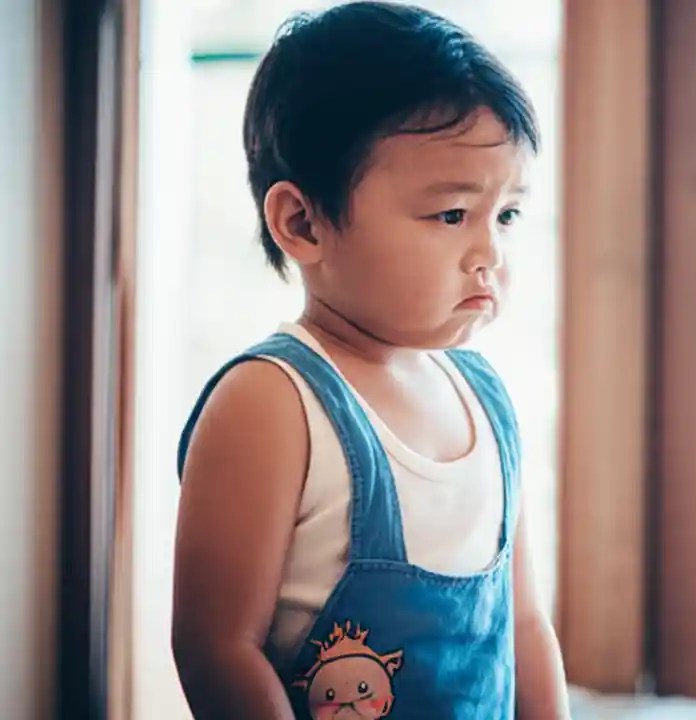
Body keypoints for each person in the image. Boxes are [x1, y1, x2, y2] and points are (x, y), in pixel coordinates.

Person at [171, 3, 569, 718]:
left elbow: (526, 627)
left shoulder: (486, 398)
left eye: (506, 215)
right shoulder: (271, 401)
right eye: (451, 215)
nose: (490, 254)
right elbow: (217, 649)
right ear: (302, 222)